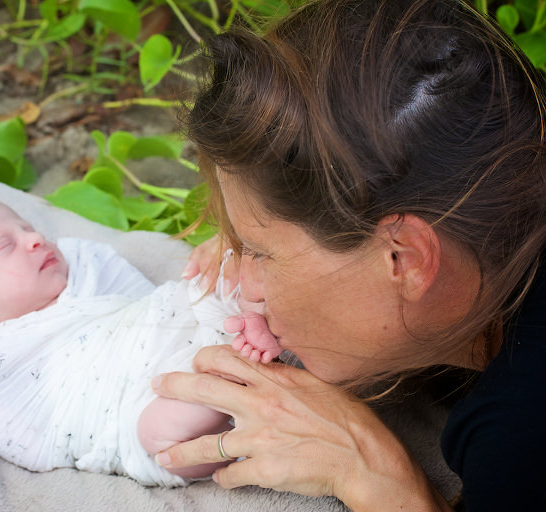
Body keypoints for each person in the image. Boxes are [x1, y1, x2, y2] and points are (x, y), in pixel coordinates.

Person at [150, 0, 546, 509]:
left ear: (403, 259)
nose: (244, 287)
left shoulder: (522, 433)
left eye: (260, 254)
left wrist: (369, 467)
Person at [0, 198, 282, 487]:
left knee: (216, 279)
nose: (35, 239)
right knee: (161, 435)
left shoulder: (83, 270)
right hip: (132, 410)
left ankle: (246, 330)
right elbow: (31, 435)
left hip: (166, 341)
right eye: (6, 245)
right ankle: (237, 369)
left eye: (26, 227)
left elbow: (147, 305)